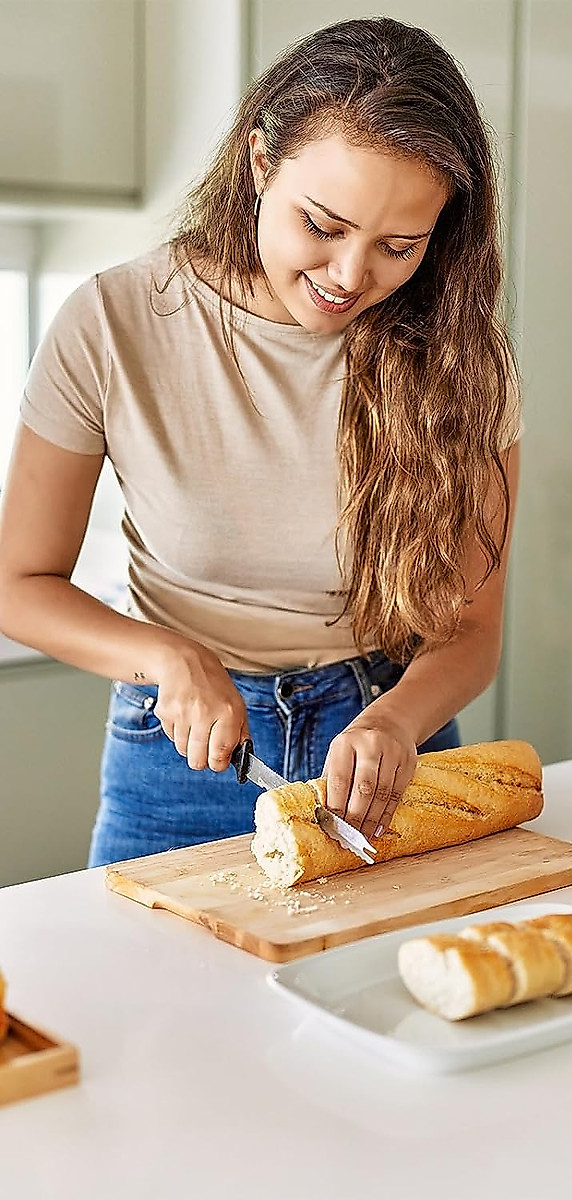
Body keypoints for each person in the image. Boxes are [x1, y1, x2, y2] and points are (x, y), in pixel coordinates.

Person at [0, 18, 521, 866]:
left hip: (387, 747)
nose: (351, 276)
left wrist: (395, 720)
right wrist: (165, 656)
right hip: (177, 751)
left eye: (399, 247)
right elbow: (17, 584)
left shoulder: (461, 360)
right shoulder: (114, 322)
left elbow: (469, 630)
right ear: (259, 165)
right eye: (323, 225)